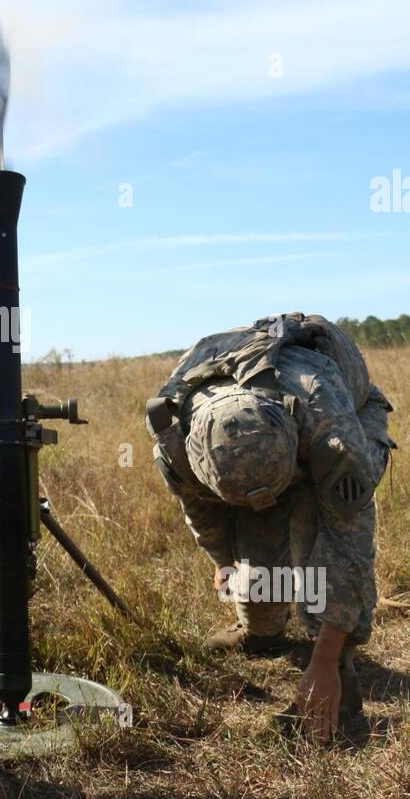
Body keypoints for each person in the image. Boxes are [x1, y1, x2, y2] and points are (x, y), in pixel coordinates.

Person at [145, 313, 395, 742]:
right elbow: (199, 509)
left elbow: (350, 545)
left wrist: (325, 659)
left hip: (338, 411)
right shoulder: (173, 430)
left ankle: (338, 668)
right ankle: (262, 632)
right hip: (266, 435)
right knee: (255, 578)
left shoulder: (329, 428)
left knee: (314, 556)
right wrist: (224, 561)